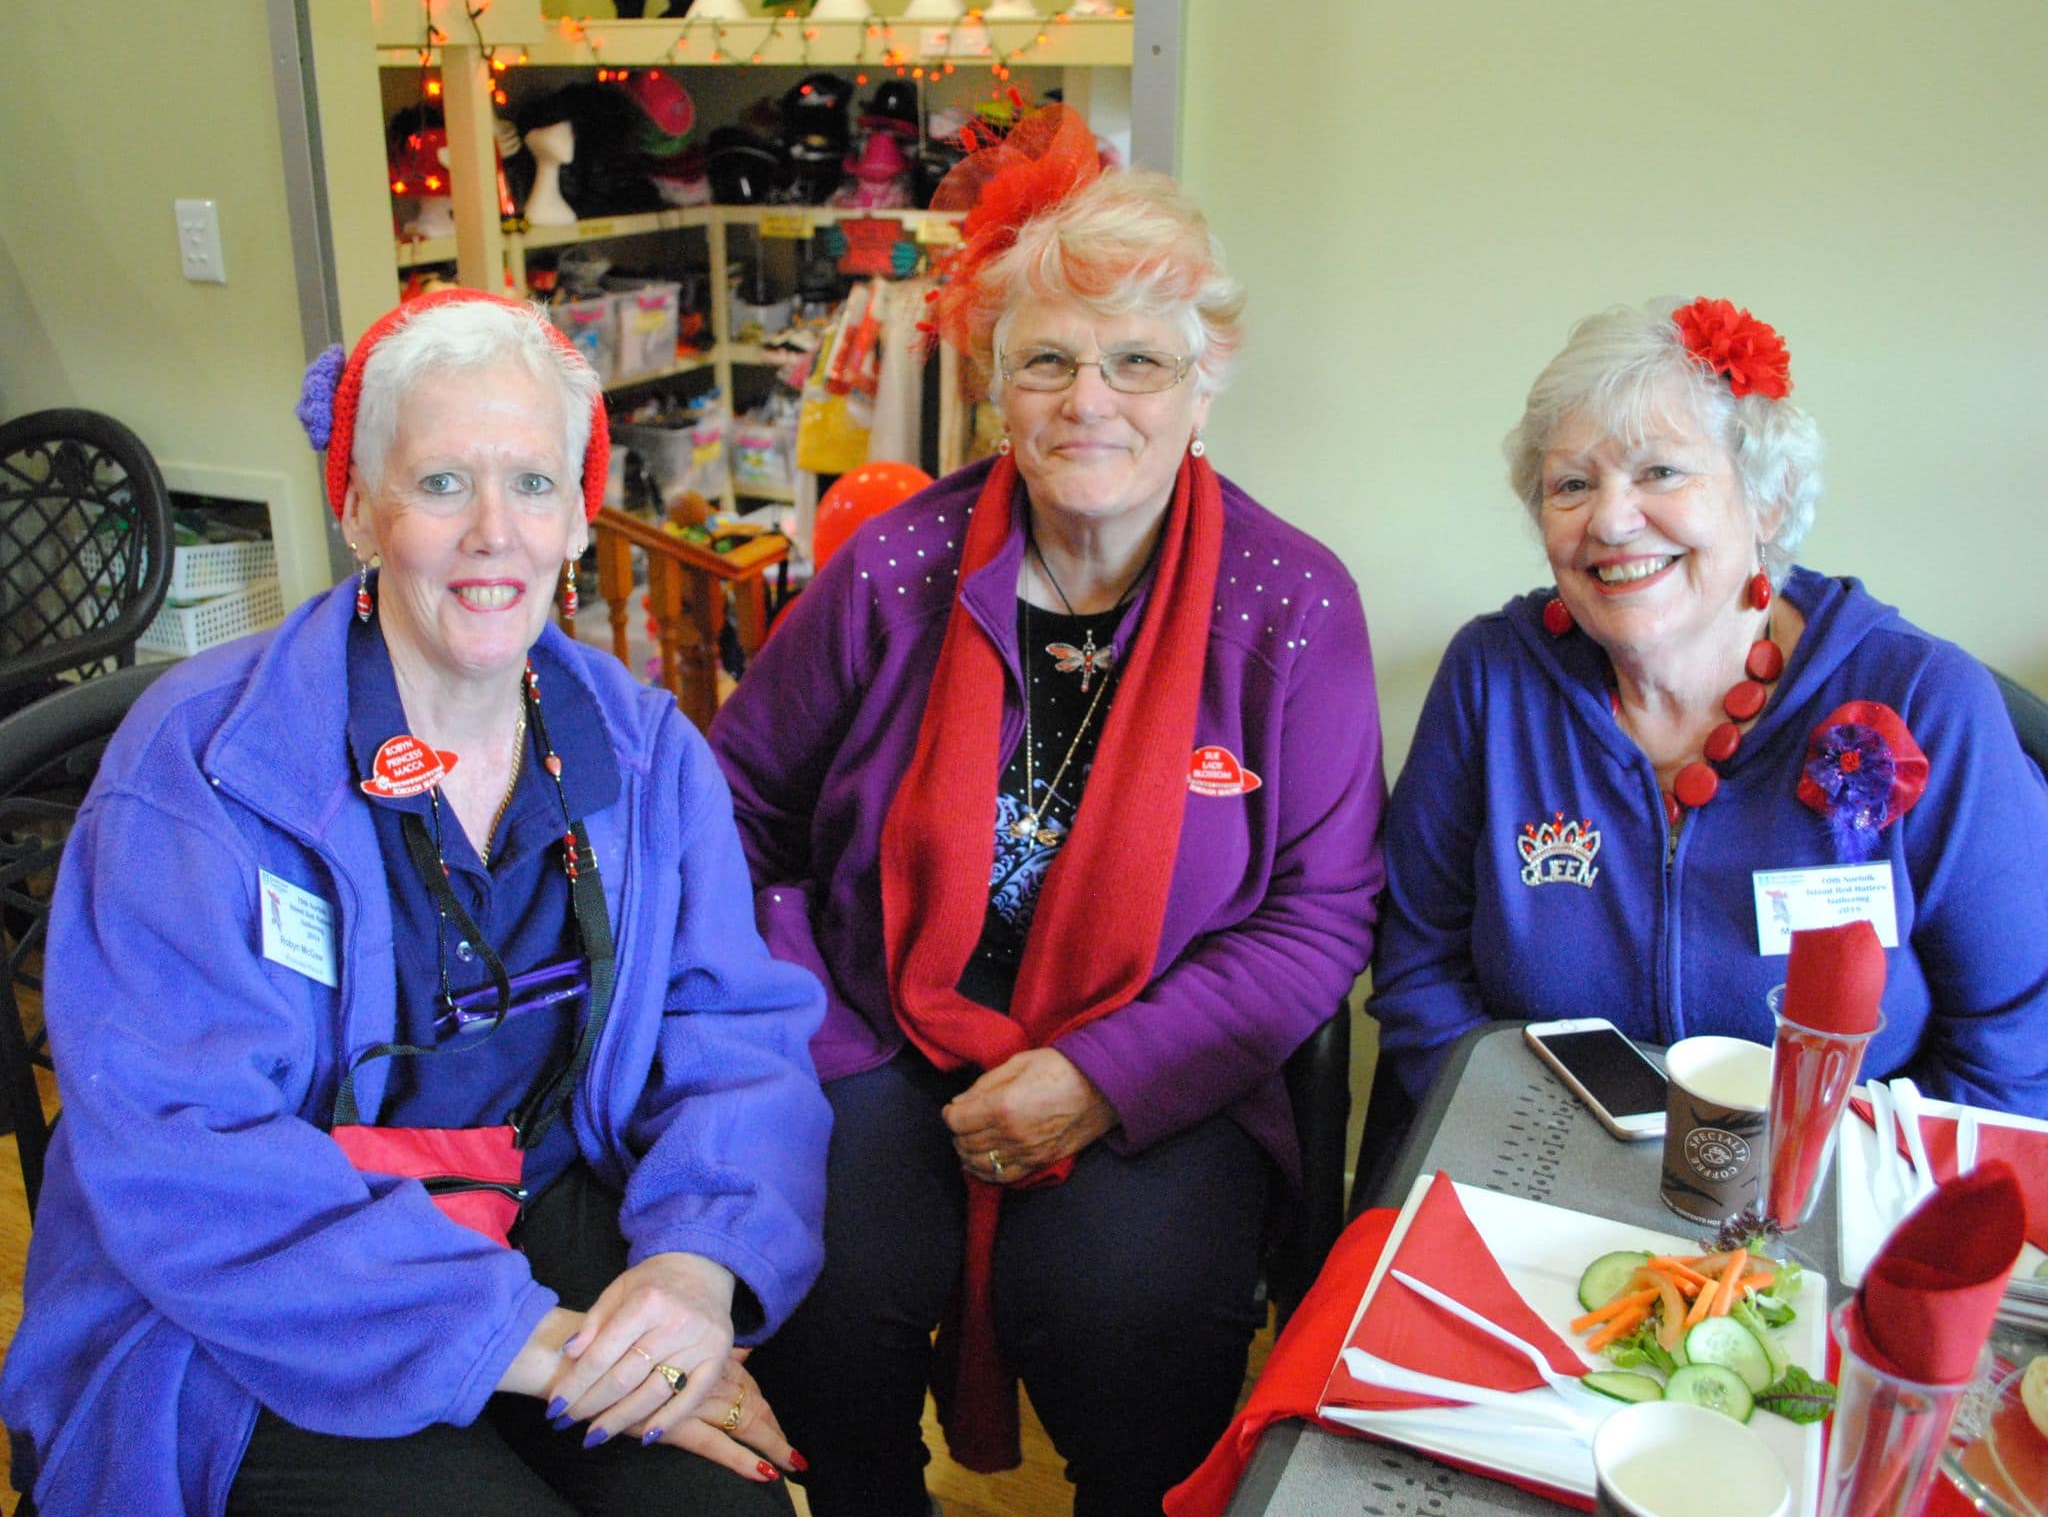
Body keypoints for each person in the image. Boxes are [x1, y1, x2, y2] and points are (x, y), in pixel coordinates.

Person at [0, 290, 831, 1516]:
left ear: (576, 515)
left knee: (718, 1506)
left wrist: (696, 1271)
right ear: (356, 509)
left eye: (533, 485)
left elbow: (731, 1041)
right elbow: (188, 1154)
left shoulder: (643, 749)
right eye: (441, 483)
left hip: (536, 1203)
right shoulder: (200, 768)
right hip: (263, 1278)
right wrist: (533, 1344)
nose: (494, 532)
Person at [709, 106, 1386, 1517]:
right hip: (884, 1024)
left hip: (1154, 1044)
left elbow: (1319, 914)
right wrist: (817, 1031)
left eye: (1140, 360)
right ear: (995, 389)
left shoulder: (1291, 605)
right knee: (824, 1285)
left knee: (1125, 1314)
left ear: (1206, 388)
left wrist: (1104, 1078)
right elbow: (734, 806)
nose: (1094, 399)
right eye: (1050, 360)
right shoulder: (893, 570)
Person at [1370, 296, 2048, 1123]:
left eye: (1660, 471)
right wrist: (1547, 1157)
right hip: (1535, 1167)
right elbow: (1421, 974)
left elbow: (2016, 1046)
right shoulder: (1493, 678)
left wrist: (1819, 1199)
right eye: (1573, 484)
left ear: (1765, 501)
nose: (1612, 520)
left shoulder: (1927, 701)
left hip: (1838, 1199)